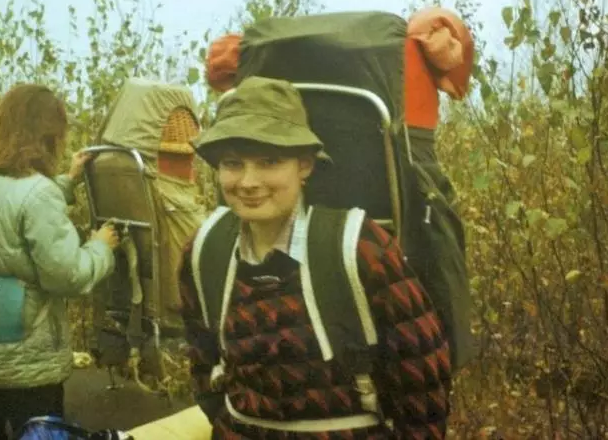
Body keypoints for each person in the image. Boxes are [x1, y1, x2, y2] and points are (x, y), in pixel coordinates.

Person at [179, 76, 452, 439]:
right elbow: (204, 363)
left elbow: (423, 380)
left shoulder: (360, 248)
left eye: (269, 161)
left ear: (304, 165)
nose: (248, 181)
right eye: (232, 163)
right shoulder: (205, 251)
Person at [0, 83, 119, 439]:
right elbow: (67, 276)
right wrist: (101, 247)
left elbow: (8, 209)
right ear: (47, 136)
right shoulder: (38, 194)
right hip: (25, 358)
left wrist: (66, 182)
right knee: (40, 432)